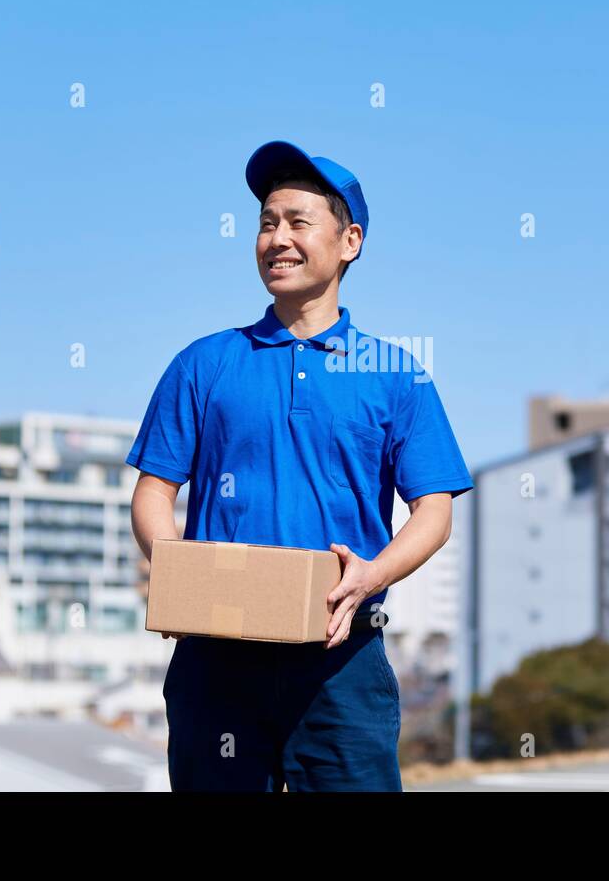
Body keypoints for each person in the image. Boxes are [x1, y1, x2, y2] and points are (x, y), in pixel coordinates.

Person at [127, 140, 472, 791]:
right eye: (266, 223)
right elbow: (153, 491)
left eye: (296, 222)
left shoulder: (397, 375)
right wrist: (178, 571)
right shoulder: (204, 363)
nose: (276, 238)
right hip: (217, 655)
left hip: (341, 657)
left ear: (350, 241)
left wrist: (372, 576)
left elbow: (434, 511)